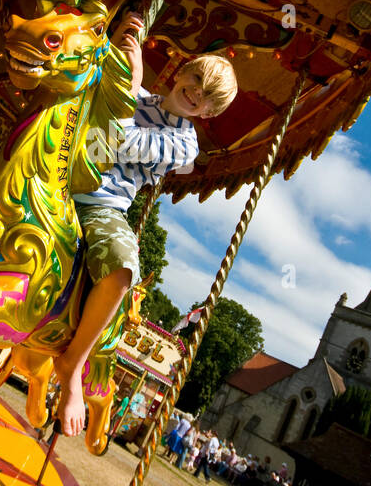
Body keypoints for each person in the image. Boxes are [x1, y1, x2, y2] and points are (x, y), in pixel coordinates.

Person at [55, 24, 238, 436]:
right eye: (197, 80)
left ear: (207, 113)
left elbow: (121, 142)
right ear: (182, 72)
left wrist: (131, 83)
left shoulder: (184, 143)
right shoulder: (133, 96)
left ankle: (72, 365)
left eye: (207, 97)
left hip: (101, 205)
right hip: (61, 181)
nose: (197, 93)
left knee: (122, 269)